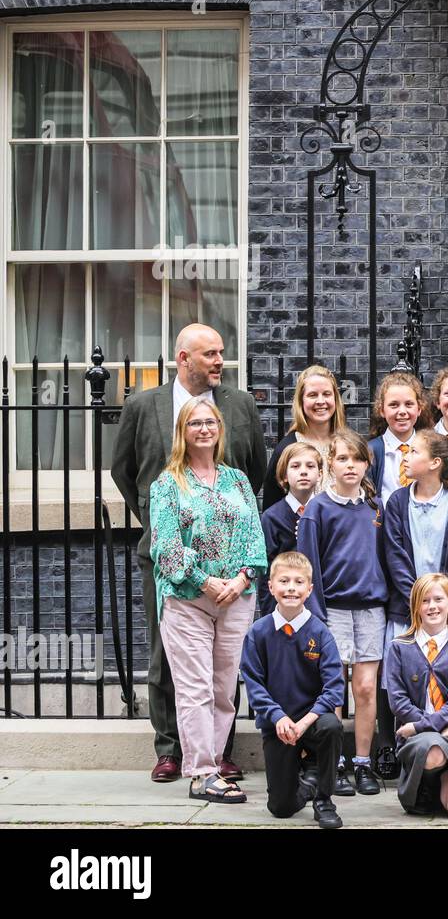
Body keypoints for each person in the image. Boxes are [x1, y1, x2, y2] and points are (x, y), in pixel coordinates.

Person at [111, 323, 266, 784]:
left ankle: (220, 753)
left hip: (231, 568)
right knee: (168, 655)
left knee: (223, 665)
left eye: (221, 353)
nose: (220, 361)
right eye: (210, 354)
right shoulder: (143, 405)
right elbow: (124, 472)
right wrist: (166, 532)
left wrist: (227, 534)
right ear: (183, 358)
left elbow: (254, 469)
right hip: (170, 561)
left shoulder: (240, 404)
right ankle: (169, 750)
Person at [149, 396, 267, 803]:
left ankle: (216, 766)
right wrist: (204, 581)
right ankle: (201, 772)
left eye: (210, 422)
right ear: (183, 431)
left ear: (220, 429)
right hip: (187, 599)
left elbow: (255, 534)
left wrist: (242, 577)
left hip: (237, 596)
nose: (204, 429)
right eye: (195, 423)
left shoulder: (237, 480)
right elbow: (164, 548)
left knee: (223, 687)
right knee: (194, 686)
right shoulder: (168, 483)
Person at [377, 431, 448, 774]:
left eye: (414, 451)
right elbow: (394, 557)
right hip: (407, 610)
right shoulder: (396, 502)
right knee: (400, 680)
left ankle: (447, 750)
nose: (404, 455)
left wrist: (444, 605)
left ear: (435, 463)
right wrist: (419, 605)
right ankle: (395, 748)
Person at [296, 428, 388, 797]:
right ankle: (334, 763)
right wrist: (314, 613)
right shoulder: (318, 509)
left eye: (357, 459)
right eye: (343, 459)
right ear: (330, 464)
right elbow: (307, 564)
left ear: (368, 464)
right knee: (333, 690)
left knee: (365, 688)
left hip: (370, 608)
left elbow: (386, 557)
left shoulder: (375, 508)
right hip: (331, 609)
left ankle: (362, 762)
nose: (351, 466)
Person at [240, 551, 345, 828]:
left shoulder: (320, 633)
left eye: (299, 582)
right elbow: (254, 683)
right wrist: (279, 718)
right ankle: (307, 784)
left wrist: (306, 721)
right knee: (281, 808)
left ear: (309, 590)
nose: (291, 588)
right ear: (271, 586)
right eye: (284, 581)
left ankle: (324, 798)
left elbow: (334, 687)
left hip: (311, 721)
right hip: (279, 725)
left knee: (332, 726)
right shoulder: (258, 633)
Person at [384, 573, 448, 818]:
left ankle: (446, 781)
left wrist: (421, 726)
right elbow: (398, 702)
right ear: (415, 606)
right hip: (420, 740)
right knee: (433, 750)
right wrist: (433, 729)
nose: (432, 606)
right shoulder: (399, 647)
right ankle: (423, 787)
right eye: (425, 600)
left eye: (438, 599)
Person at [262, 365, 344, 511]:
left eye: (326, 394)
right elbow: (272, 507)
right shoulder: (287, 448)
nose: (320, 401)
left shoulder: (347, 445)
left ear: (335, 399)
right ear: (301, 401)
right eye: (312, 395)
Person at [258, 442, 322, 616]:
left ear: (320, 474)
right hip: (284, 604)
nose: (303, 471)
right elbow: (266, 570)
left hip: (320, 604)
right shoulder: (272, 517)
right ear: (283, 476)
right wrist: (270, 612)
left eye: (310, 466)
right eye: (295, 466)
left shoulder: (326, 512)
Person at [367, 371, 435, 505]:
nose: (402, 411)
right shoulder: (371, 451)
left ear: (419, 409)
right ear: (382, 410)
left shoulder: (432, 449)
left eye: (409, 404)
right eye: (394, 405)